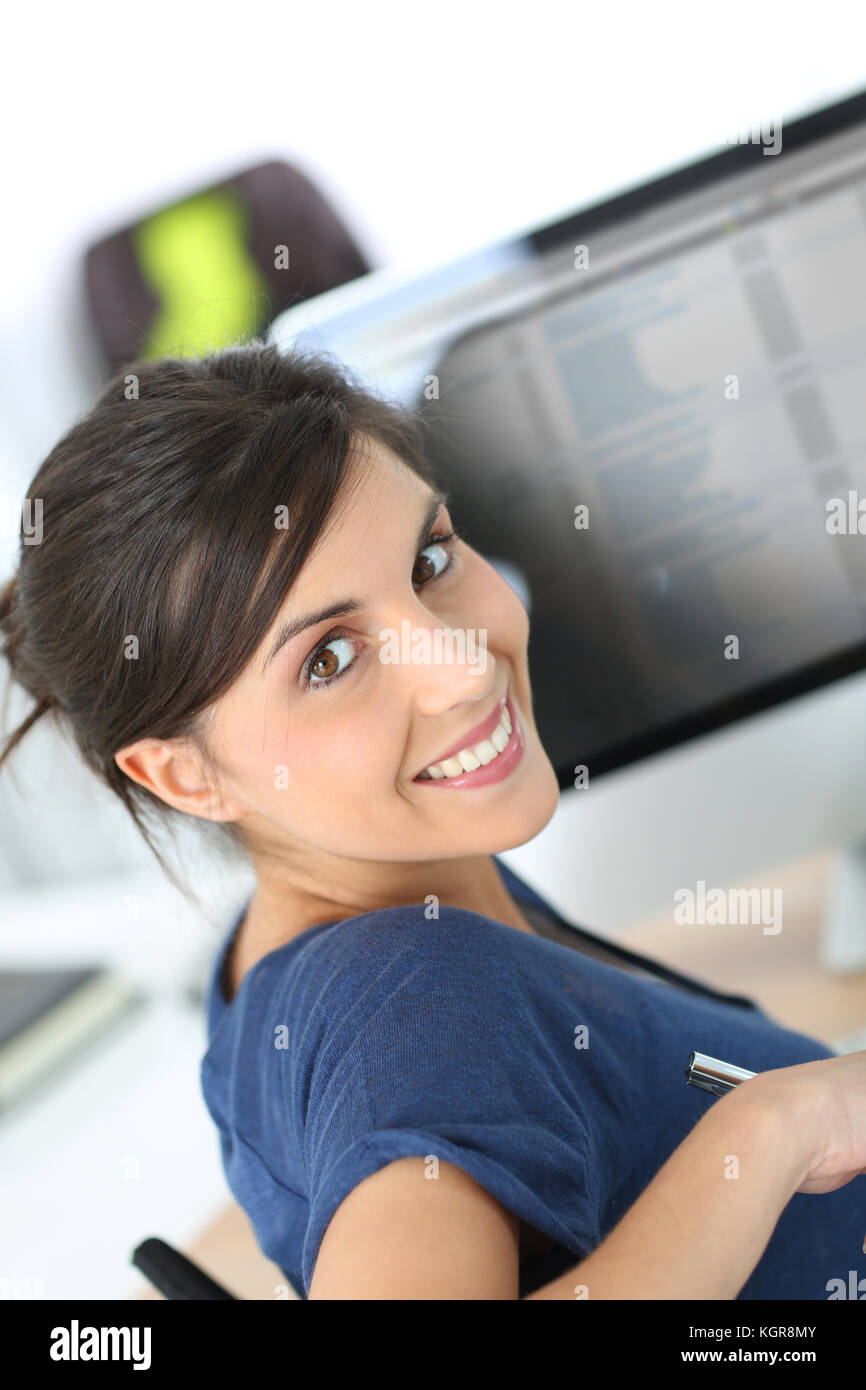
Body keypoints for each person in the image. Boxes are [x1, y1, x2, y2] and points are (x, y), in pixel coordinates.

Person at [1, 340, 864, 1301]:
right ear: (185, 775)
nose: (461, 664)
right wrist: (772, 1130)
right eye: (328, 659)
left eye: (430, 559)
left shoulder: (375, 895)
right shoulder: (414, 994)